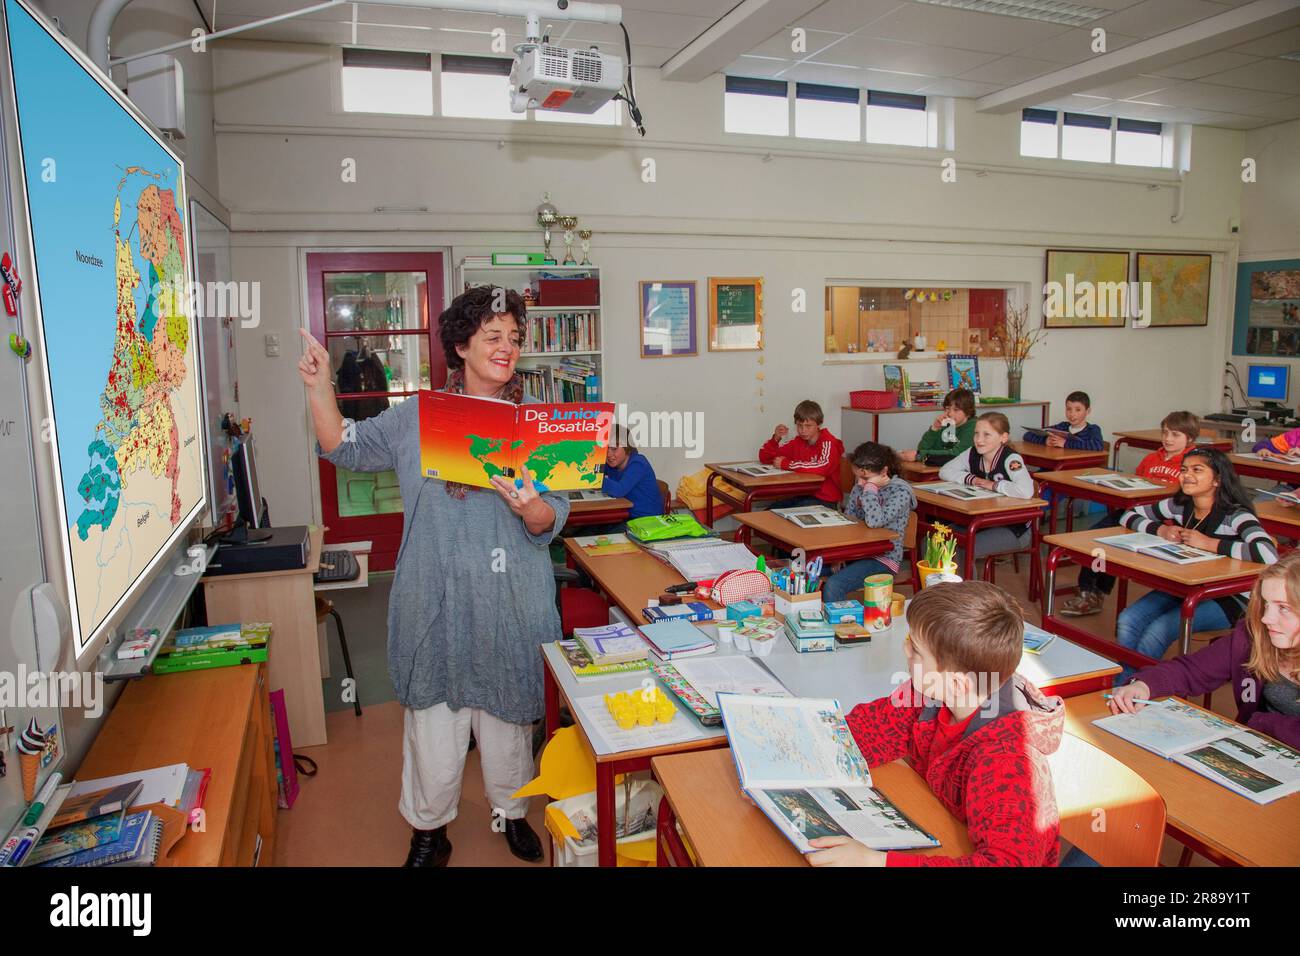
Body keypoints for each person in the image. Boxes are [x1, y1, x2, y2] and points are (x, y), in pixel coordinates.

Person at [299, 285, 569, 867]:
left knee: (508, 729)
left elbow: (556, 516)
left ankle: (511, 811)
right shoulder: (419, 417)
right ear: (461, 346)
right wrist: (320, 387)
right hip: (436, 602)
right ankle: (429, 829)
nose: (507, 348)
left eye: (514, 339)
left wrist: (531, 507)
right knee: (434, 731)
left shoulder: (535, 425)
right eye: (493, 337)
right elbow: (340, 445)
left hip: (510, 604)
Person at [808, 581, 1063, 866]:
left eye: (915, 650)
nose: (906, 653)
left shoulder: (1007, 759)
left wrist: (878, 863)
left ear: (956, 683)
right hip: (941, 831)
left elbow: (1006, 863)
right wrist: (795, 758)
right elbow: (866, 730)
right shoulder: (927, 693)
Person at [1113, 448, 1278, 680]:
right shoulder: (1181, 505)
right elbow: (1128, 515)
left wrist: (1210, 543)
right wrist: (1162, 529)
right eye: (1184, 470)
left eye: (1197, 470)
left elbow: (1267, 552)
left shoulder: (1236, 515)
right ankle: (1127, 686)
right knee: (1128, 619)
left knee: (1158, 630)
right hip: (1187, 587)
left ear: (1218, 479)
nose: (1186, 475)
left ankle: (1134, 687)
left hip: (1229, 597)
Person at [1109, 549, 1300, 750]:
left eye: (1283, 608)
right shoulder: (1254, 637)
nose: (1266, 618)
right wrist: (1144, 685)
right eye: (1266, 604)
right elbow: (1191, 670)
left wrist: (1264, 724)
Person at [1061, 410, 1198, 617]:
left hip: (1165, 522)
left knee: (1110, 538)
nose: (1168, 439)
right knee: (1096, 538)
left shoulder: (1192, 464)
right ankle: (1088, 591)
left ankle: (1095, 592)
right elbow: (1136, 485)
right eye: (1165, 433)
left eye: (1175, 435)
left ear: (1190, 438)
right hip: (1135, 514)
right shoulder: (1152, 458)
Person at [938, 412, 1035, 572]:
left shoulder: (1011, 459)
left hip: (1014, 528)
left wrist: (993, 485)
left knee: (964, 547)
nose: (979, 440)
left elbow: (1026, 491)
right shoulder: (972, 453)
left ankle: (967, 596)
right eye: (976, 434)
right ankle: (942, 589)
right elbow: (945, 471)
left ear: (1003, 438)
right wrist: (973, 479)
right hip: (984, 522)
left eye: (986, 435)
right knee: (937, 538)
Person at [821, 442, 916, 603]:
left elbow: (874, 521)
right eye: (857, 476)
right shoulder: (861, 486)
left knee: (834, 585)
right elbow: (848, 521)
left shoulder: (900, 492)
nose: (859, 483)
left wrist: (870, 488)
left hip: (884, 559)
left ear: (884, 471)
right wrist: (839, 554)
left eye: (865, 478)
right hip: (858, 552)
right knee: (806, 570)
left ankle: (845, 625)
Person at [758, 399, 845, 509]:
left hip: (825, 500)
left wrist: (787, 464)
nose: (803, 430)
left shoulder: (829, 443)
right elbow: (765, 457)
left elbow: (824, 467)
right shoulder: (797, 442)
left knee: (786, 516)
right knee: (769, 512)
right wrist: (775, 438)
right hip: (802, 495)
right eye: (799, 425)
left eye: (808, 426)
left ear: (819, 425)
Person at [583, 424, 663, 534]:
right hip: (626, 516)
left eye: (614, 449)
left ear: (627, 447)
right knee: (586, 530)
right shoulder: (613, 465)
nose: (609, 454)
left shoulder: (638, 463)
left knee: (598, 534)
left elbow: (619, 490)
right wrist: (588, 466)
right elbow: (596, 469)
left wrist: (595, 476)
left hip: (647, 521)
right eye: (605, 449)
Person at [899, 388, 976, 467]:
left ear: (968, 412)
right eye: (947, 408)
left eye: (956, 410)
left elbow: (955, 454)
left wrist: (918, 455)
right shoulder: (947, 424)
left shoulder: (974, 427)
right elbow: (922, 448)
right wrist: (934, 428)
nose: (950, 414)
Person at [1020, 390, 1104, 450]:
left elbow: (1098, 445)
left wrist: (1065, 443)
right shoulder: (1062, 426)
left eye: (1078, 410)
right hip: (1057, 468)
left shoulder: (1093, 429)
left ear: (1088, 411)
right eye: (1068, 409)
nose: (1072, 414)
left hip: (1079, 470)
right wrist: (1046, 441)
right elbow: (1028, 435)